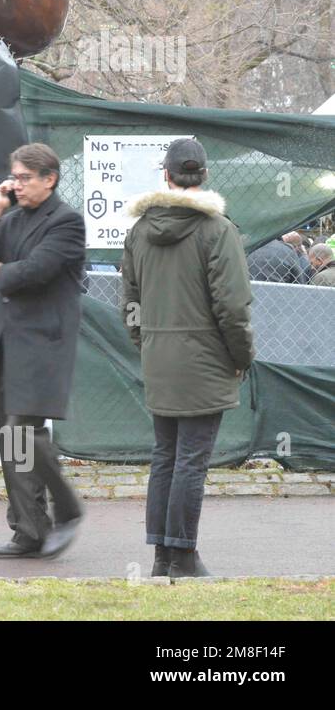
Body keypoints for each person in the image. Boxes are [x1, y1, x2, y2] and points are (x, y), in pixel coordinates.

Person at [121, 138, 254, 579]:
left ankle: (162, 557)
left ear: (167, 175)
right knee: (191, 459)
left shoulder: (139, 230)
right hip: (206, 360)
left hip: (160, 358)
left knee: (165, 455)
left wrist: (148, 343)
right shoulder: (218, 230)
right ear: (206, 174)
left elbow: (131, 304)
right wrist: (241, 357)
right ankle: (183, 556)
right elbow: (232, 307)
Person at [0, 143, 86, 559]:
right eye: (12, 177)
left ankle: (68, 506)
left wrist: (4, 272)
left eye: (23, 178)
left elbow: (34, 272)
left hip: (41, 343)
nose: (15, 185)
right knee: (12, 439)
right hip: (4, 341)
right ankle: (29, 531)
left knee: (25, 430)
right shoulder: (12, 218)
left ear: (49, 179)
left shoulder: (67, 222)